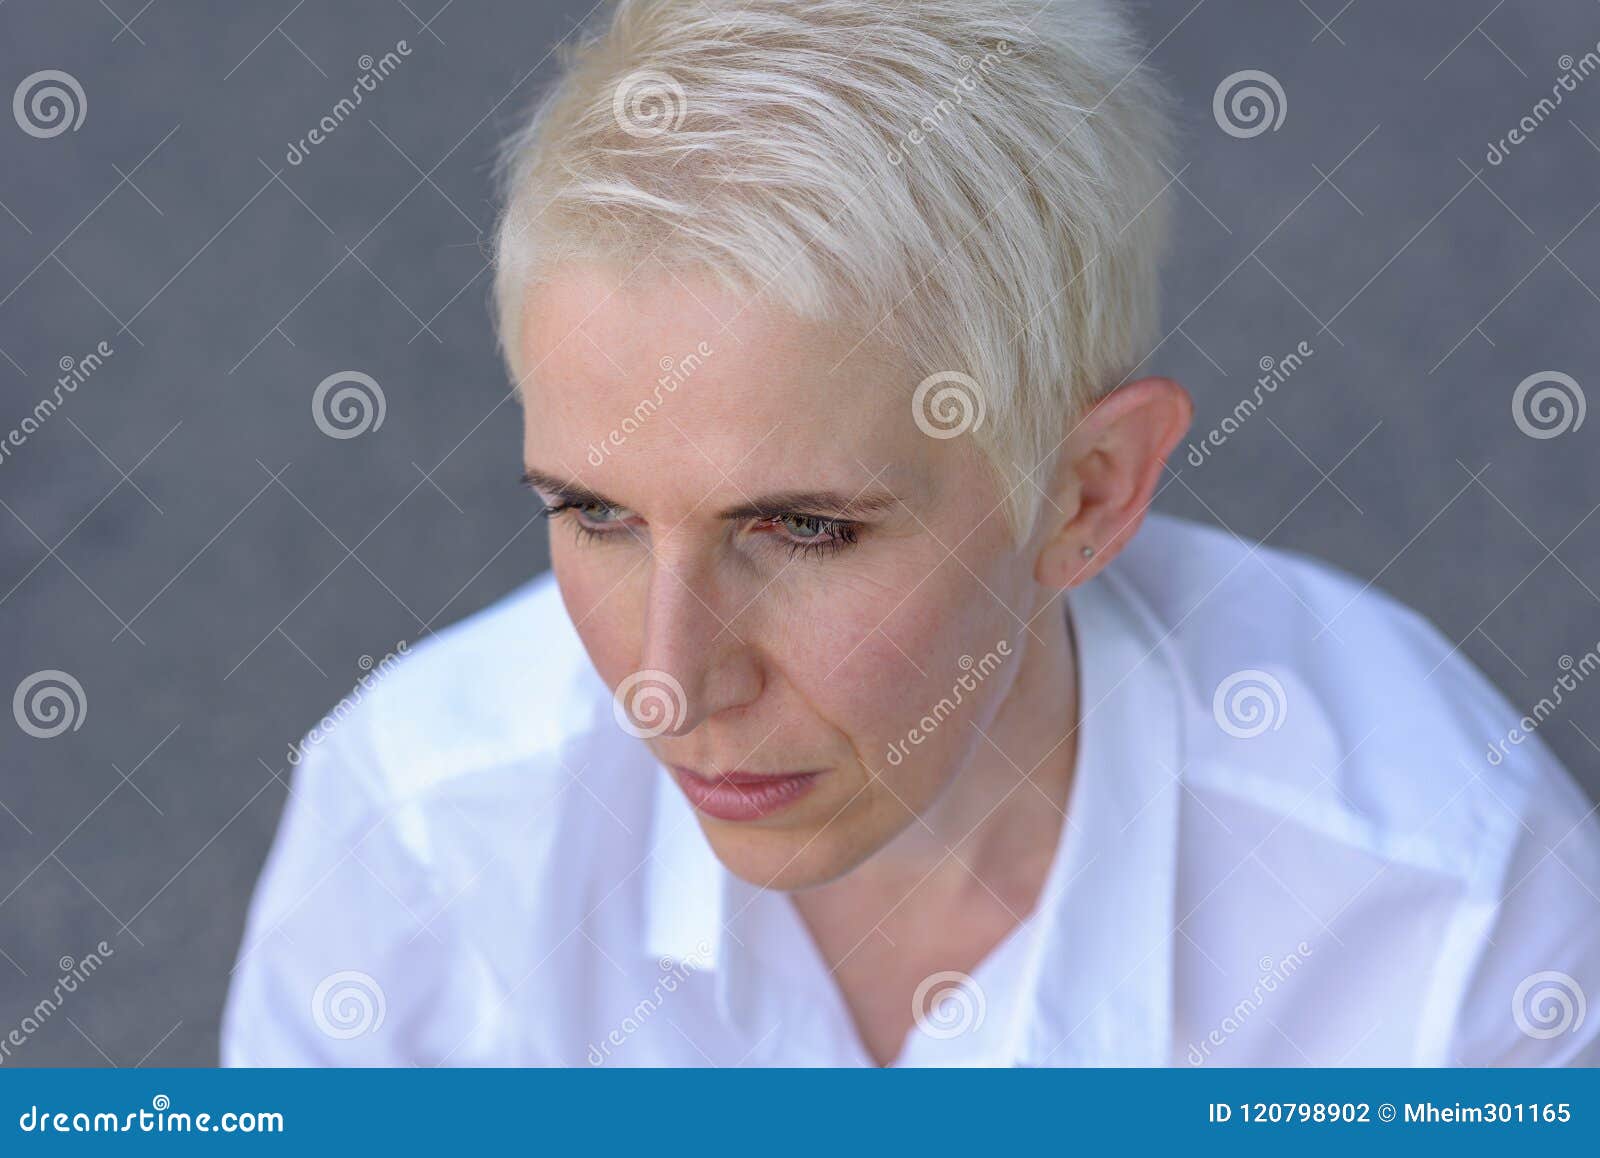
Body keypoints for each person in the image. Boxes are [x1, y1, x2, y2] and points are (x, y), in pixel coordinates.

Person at [221, 0, 1600, 1066]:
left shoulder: (1448, 926)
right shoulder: (415, 840)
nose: (670, 678)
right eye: (596, 513)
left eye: (805, 528)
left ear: (1088, 493)